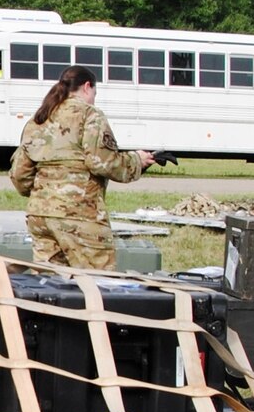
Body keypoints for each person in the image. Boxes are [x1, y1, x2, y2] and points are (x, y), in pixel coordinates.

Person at [8, 65, 155, 270]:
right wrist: (137, 160)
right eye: (94, 93)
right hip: (79, 215)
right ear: (87, 87)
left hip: (40, 215)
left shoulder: (39, 119)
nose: (94, 98)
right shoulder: (90, 115)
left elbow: (19, 175)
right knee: (98, 282)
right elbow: (103, 162)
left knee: (49, 285)